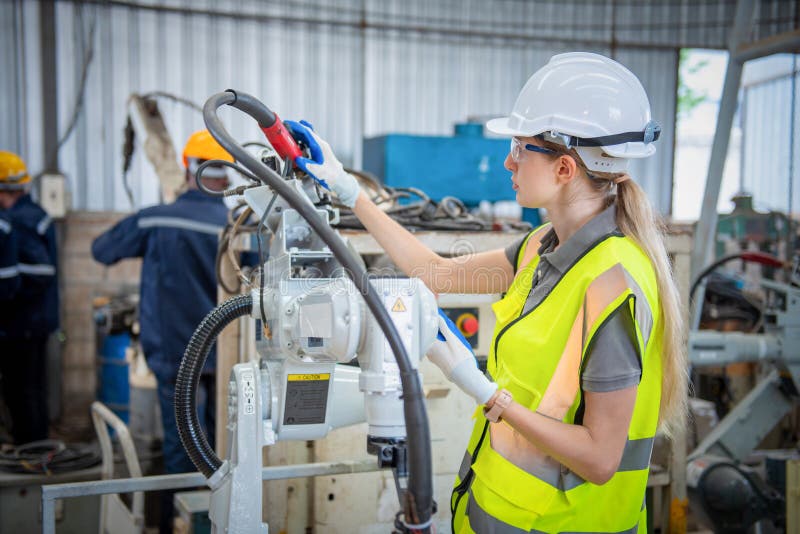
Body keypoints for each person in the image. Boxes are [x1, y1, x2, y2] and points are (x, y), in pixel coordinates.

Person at [288, 52, 687, 532]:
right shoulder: (543, 246)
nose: (507, 161)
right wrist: (349, 191)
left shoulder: (612, 286)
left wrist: (482, 390)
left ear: (564, 168)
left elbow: (600, 459)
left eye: (520, 147)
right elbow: (434, 274)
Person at [91, 130, 233, 533]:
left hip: (176, 355)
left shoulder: (156, 218)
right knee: (220, 442)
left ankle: (178, 524)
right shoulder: (238, 227)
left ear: (188, 169)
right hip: (226, 354)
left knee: (182, 446)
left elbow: (102, 250)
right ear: (229, 176)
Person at [0, 151, 59, 445]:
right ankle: (36, 448)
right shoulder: (33, 213)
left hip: (22, 322)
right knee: (32, 389)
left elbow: (41, 270)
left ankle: (30, 452)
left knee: (23, 391)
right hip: (35, 321)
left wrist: (10, 293)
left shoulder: (18, 220)